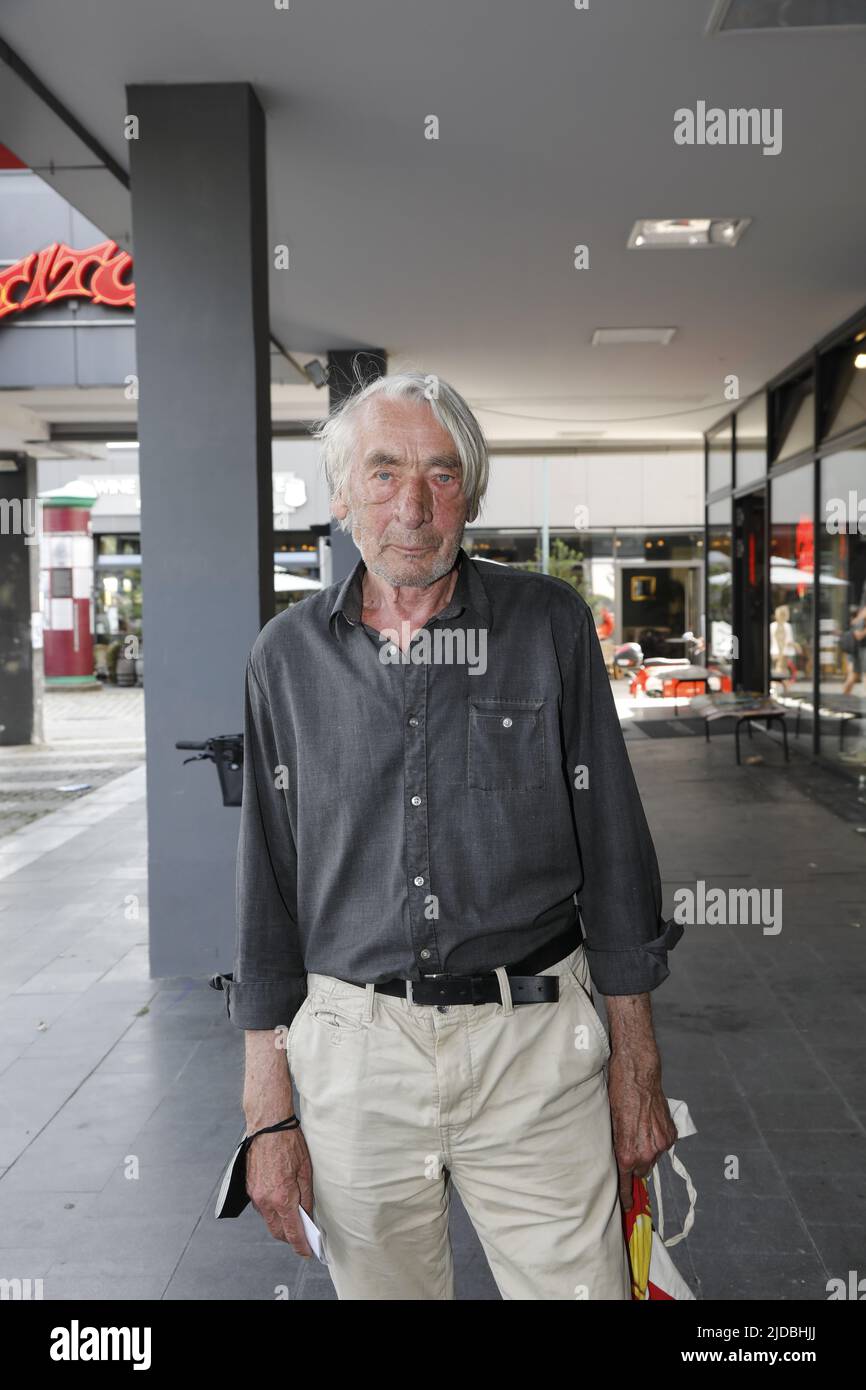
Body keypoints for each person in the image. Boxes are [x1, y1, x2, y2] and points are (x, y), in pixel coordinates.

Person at [226, 370, 681, 1300]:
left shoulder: (547, 624)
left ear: (469, 494)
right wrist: (267, 1109)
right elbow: (266, 888)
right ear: (343, 493)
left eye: (440, 475)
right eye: (385, 473)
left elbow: (615, 848)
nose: (413, 505)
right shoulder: (286, 657)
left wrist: (637, 1063)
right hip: (356, 1053)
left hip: (537, 1049)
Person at [769, 604, 800, 693]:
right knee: (781, 671)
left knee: (781, 670)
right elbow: (788, 641)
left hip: (776, 651)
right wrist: (796, 646)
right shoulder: (784, 626)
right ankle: (779, 688)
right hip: (781, 652)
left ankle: (781, 689)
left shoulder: (773, 626)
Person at [841, 602, 866, 696]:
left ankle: (844, 696)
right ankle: (844, 697)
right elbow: (858, 635)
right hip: (858, 650)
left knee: (854, 676)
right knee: (854, 676)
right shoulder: (859, 618)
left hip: (860, 651)